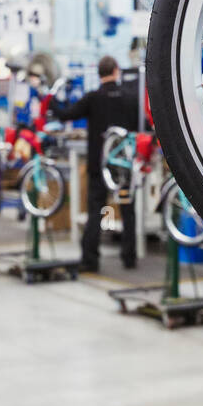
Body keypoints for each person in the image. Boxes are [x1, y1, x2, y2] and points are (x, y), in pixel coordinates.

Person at [54, 55, 141, 272]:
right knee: (127, 211)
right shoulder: (130, 97)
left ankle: (90, 260)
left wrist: (50, 99)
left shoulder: (93, 97)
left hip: (99, 167)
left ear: (99, 74)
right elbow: (144, 124)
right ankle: (129, 258)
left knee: (96, 211)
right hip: (123, 168)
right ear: (116, 71)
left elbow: (65, 115)